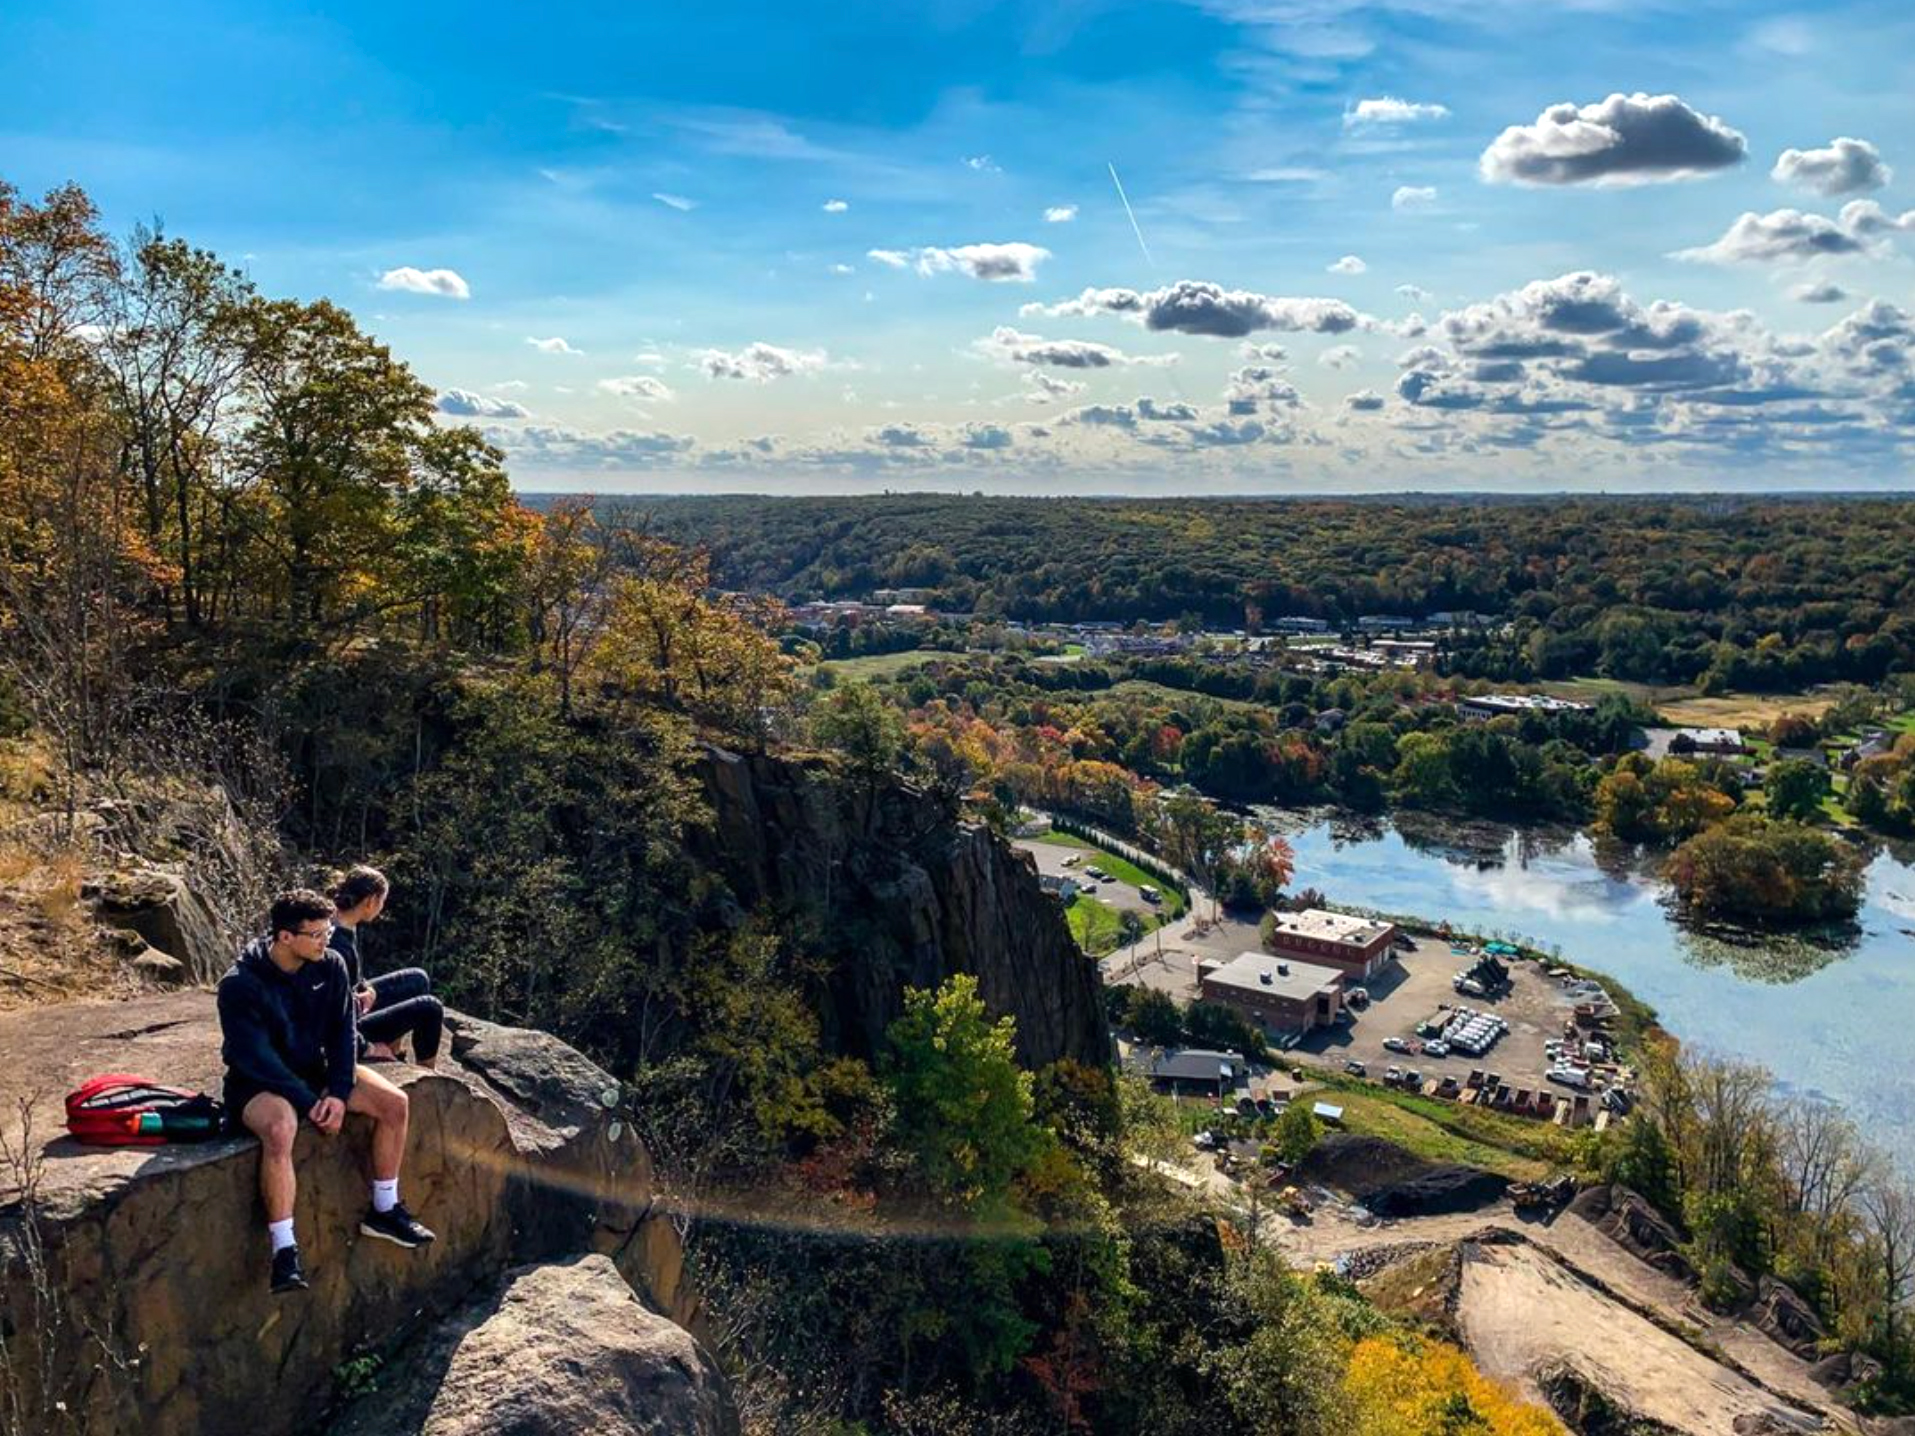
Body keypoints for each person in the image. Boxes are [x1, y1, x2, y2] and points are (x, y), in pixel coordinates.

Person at [217, 888, 435, 1296]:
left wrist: (337, 1091)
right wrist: (310, 1103)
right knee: (281, 1129)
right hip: (258, 1081)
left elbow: (341, 1033)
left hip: (315, 1070)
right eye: (316, 934)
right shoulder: (240, 985)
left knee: (394, 1103)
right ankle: (284, 1250)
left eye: (328, 930)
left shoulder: (330, 965)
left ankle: (385, 1208)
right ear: (285, 937)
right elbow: (256, 1057)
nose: (326, 940)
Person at [328, 866, 444, 1071]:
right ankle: (426, 1075)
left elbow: (349, 977)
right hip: (347, 1029)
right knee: (430, 1008)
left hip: (352, 1003)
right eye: (382, 901)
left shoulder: (339, 922)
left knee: (417, 978)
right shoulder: (337, 945)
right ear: (370, 901)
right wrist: (368, 1048)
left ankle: (395, 1052)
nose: (382, 907)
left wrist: (365, 988)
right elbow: (332, 1016)